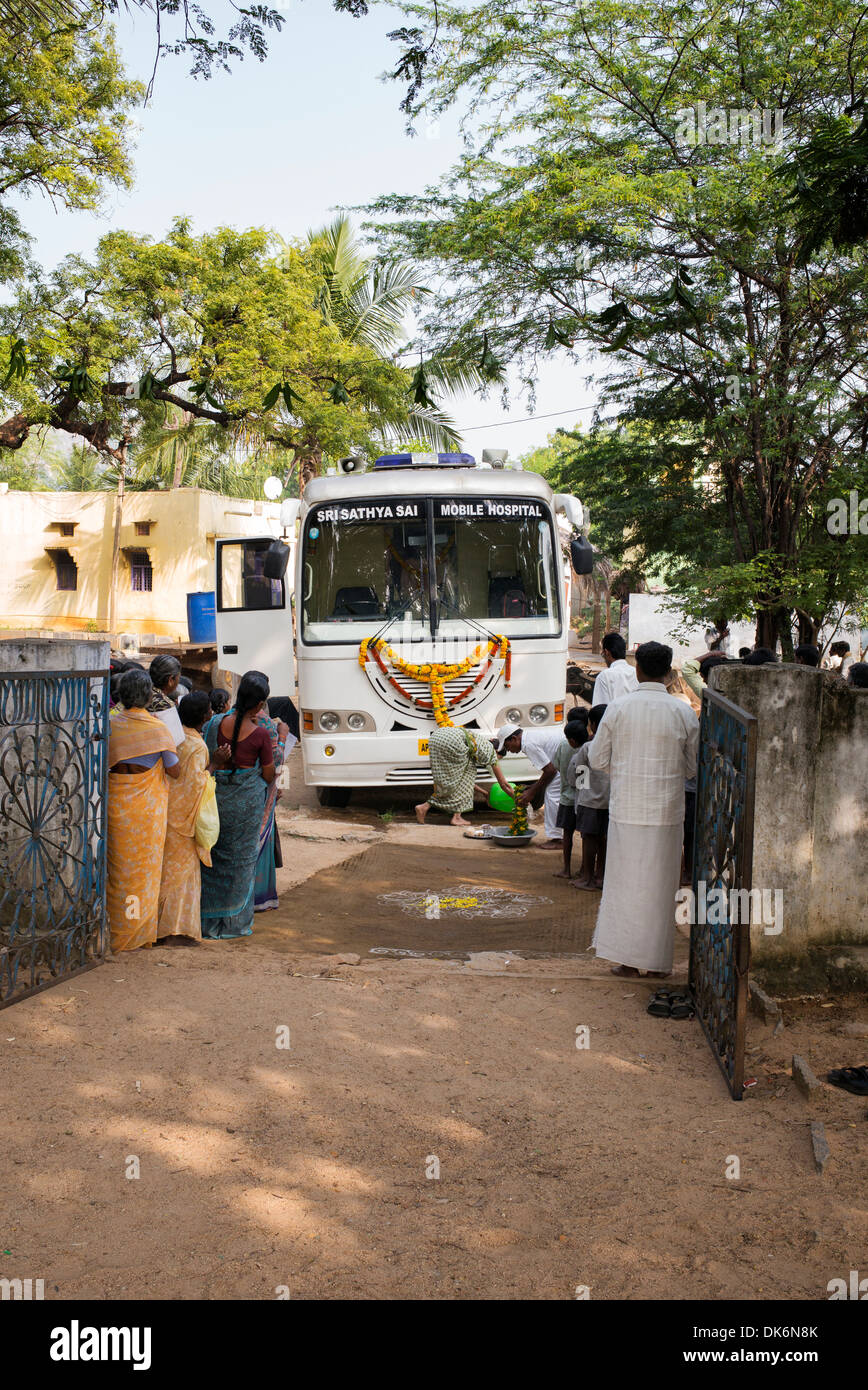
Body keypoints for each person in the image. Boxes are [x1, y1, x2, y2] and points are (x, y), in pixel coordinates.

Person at [588, 641, 699, 977]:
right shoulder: (682, 712)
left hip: (627, 810)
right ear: (668, 672)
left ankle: (628, 961)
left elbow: (596, 759)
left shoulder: (618, 708)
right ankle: (657, 965)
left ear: (637, 669)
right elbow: (693, 768)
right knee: (661, 887)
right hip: (666, 814)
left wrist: (626, 770)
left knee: (626, 884)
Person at [107, 669, 180, 953]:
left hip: (115, 807)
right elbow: (174, 770)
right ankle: (136, 934)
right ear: (149, 695)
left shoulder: (111, 724)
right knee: (142, 875)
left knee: (118, 872)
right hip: (145, 816)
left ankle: (118, 931)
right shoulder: (157, 729)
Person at [200, 670, 275, 939]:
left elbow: (206, 759)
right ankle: (234, 925)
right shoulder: (260, 735)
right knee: (241, 864)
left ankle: (206, 922)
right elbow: (267, 774)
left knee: (213, 860)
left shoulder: (213, 725)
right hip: (245, 808)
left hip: (215, 803)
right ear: (258, 704)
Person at [157, 691, 214, 944]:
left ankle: (155, 928)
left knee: (162, 873)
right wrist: (216, 766)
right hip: (183, 820)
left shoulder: (172, 735)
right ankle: (176, 931)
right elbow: (195, 783)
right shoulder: (197, 745)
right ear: (204, 716)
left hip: (163, 811)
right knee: (183, 876)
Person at [416, 725, 517, 828]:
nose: (496, 760)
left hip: (437, 737)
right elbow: (504, 784)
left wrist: (485, 793)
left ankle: (424, 807)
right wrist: (518, 801)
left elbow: (465, 780)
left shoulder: (478, 744)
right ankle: (456, 817)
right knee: (468, 772)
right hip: (452, 741)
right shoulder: (490, 752)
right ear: (496, 751)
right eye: (498, 758)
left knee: (450, 780)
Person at [495, 723, 565, 846]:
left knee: (552, 795)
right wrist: (532, 787)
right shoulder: (530, 737)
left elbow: (550, 771)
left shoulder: (528, 744)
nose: (509, 750)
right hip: (562, 760)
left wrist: (531, 793)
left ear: (514, 739)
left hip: (563, 762)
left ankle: (558, 839)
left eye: (507, 746)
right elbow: (548, 769)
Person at [254, 703, 291, 912]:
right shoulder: (266, 724)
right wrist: (283, 736)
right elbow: (276, 758)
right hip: (263, 788)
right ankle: (261, 897)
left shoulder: (227, 718)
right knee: (262, 843)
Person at [572, 703, 610, 890]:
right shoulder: (617, 745)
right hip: (610, 801)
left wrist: (581, 797)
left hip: (590, 801)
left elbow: (580, 774)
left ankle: (587, 877)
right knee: (603, 839)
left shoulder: (588, 747)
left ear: (593, 724)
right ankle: (600, 876)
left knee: (589, 838)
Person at [552, 720, 588, 878]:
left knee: (567, 834)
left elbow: (557, 766)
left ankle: (566, 869)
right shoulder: (589, 748)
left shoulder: (564, 746)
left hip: (568, 796)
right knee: (586, 835)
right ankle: (583, 869)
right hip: (584, 799)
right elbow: (584, 781)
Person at [148, 654, 185, 746]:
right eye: (178, 678)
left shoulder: (138, 691)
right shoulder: (165, 704)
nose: (178, 681)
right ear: (170, 680)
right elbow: (177, 741)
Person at [592, 632, 639, 704]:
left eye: (602, 654)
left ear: (607, 652)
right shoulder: (637, 673)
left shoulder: (604, 676)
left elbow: (599, 710)